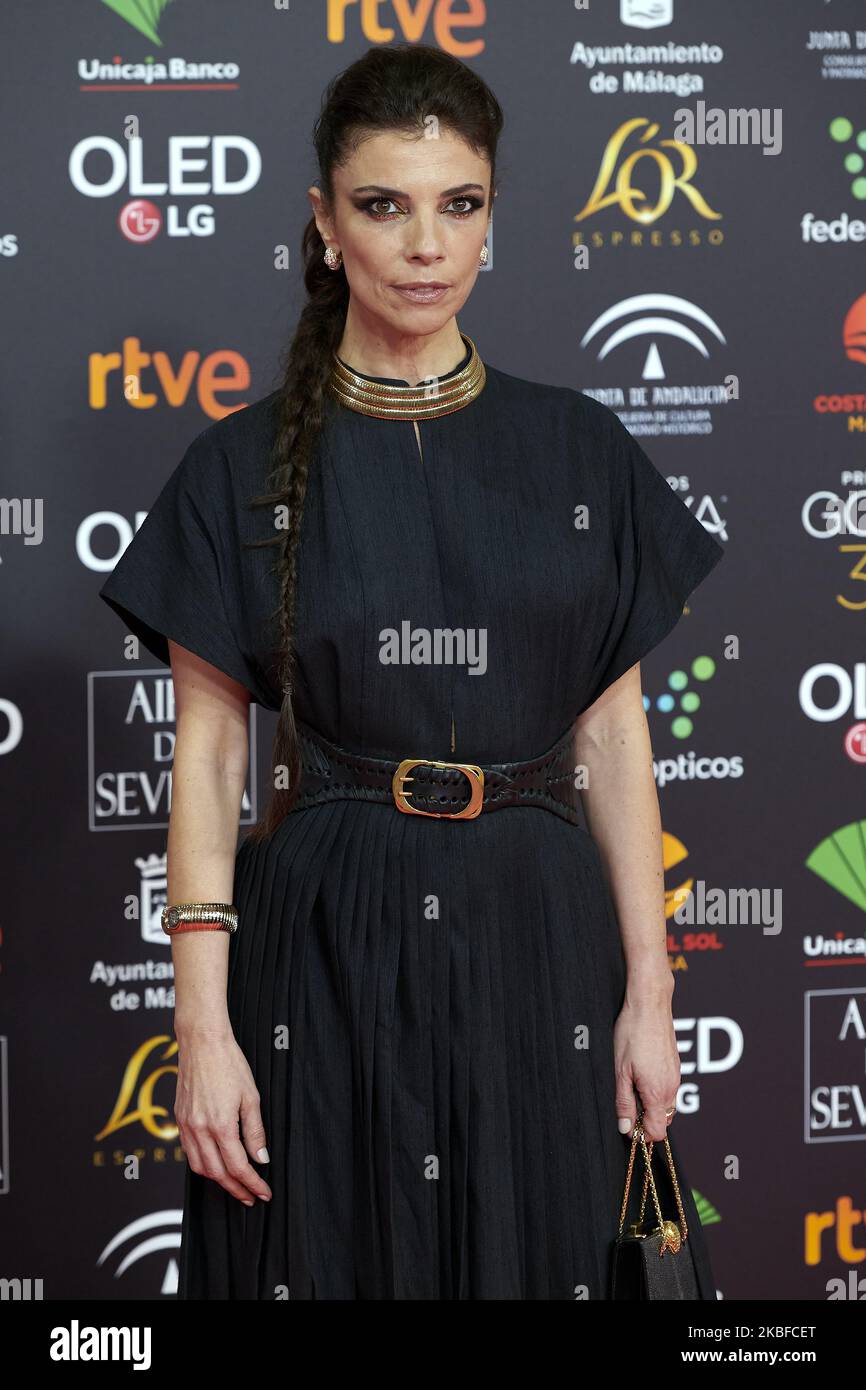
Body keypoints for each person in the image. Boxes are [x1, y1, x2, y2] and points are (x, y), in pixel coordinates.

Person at [99, 43, 725, 1300]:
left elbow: (612, 743)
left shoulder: (577, 449)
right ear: (325, 225)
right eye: (383, 205)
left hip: (537, 940)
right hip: (324, 946)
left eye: (460, 204)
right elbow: (212, 763)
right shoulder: (240, 468)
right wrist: (203, 1027)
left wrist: (648, 990)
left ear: (492, 213)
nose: (425, 244)